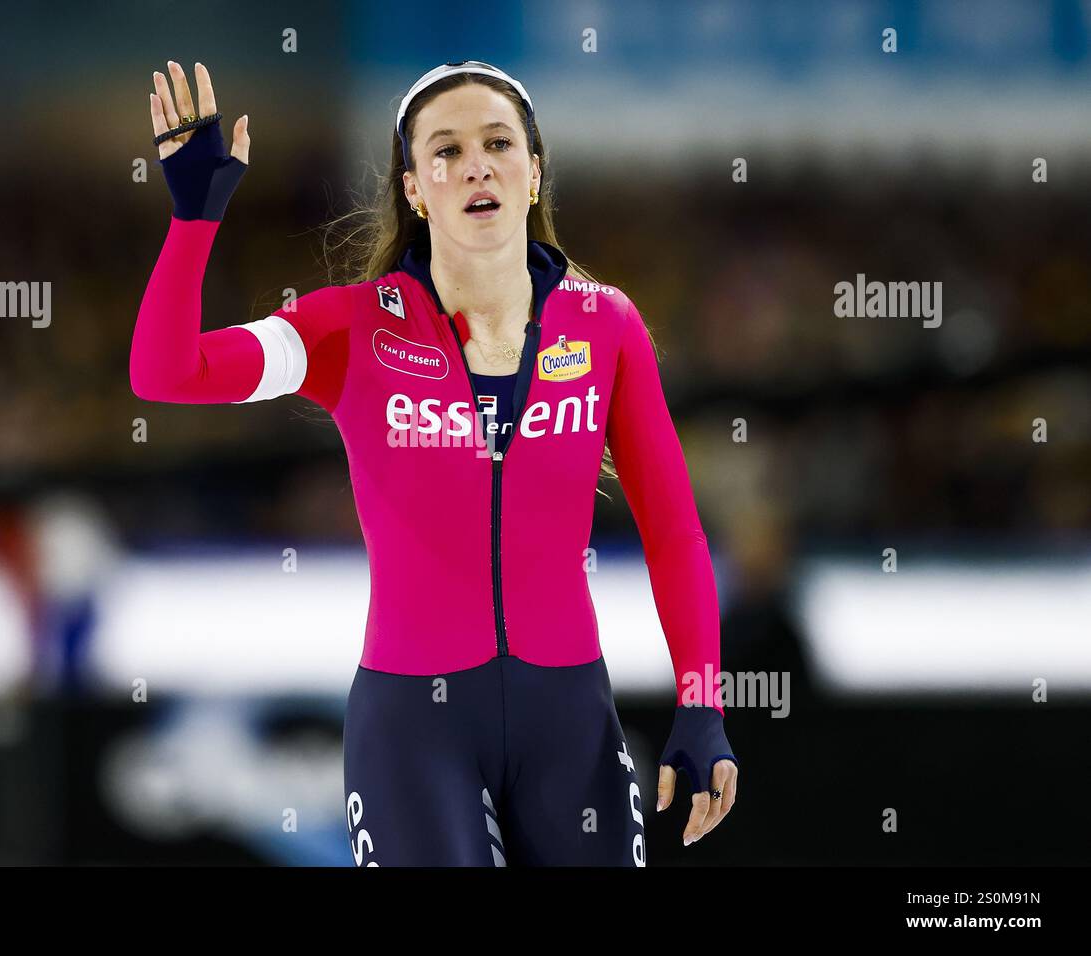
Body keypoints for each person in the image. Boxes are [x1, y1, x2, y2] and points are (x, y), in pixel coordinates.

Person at [131, 58, 738, 866]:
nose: (476, 163)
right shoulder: (350, 330)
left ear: (533, 172)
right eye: (446, 151)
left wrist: (702, 704)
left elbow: (675, 534)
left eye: (498, 142)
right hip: (413, 730)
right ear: (414, 188)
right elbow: (166, 373)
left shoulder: (606, 326)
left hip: (569, 722)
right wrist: (193, 217)